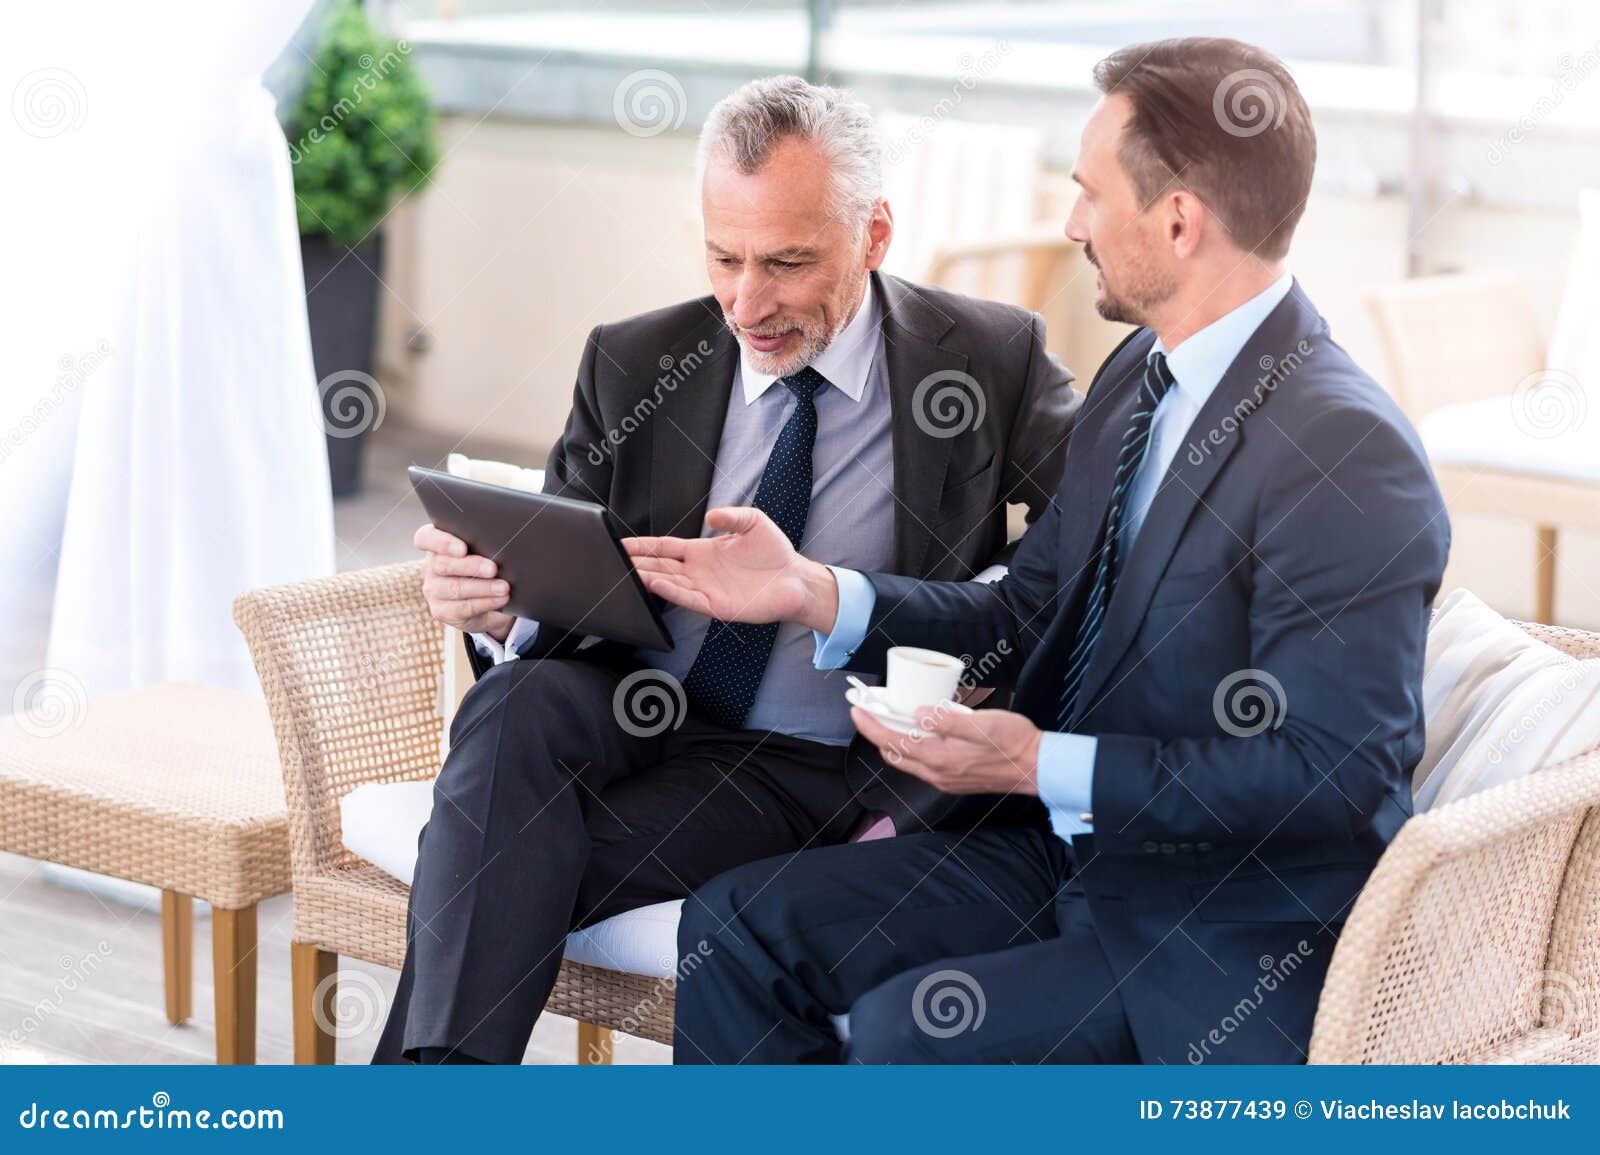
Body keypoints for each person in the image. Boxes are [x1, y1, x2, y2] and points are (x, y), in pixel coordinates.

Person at [626, 38, 1451, 1064]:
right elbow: (1026, 609)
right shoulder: (1140, 376)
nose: (1071, 224)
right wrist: (813, 591)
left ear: (1178, 221)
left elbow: (1332, 778)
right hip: (1061, 855)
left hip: (1214, 924)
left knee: (908, 1035)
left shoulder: (1345, 451)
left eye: (1089, 193)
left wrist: (1036, 761)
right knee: (736, 932)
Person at [373, 75, 1081, 1064]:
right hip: (628, 701)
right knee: (512, 703)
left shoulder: (989, 359)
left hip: (799, 761)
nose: (748, 302)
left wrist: (961, 620)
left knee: (497, 858)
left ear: (873, 235)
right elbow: (562, 571)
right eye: (724, 257)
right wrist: (500, 609)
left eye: (787, 263)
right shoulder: (633, 360)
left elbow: (1087, 547)